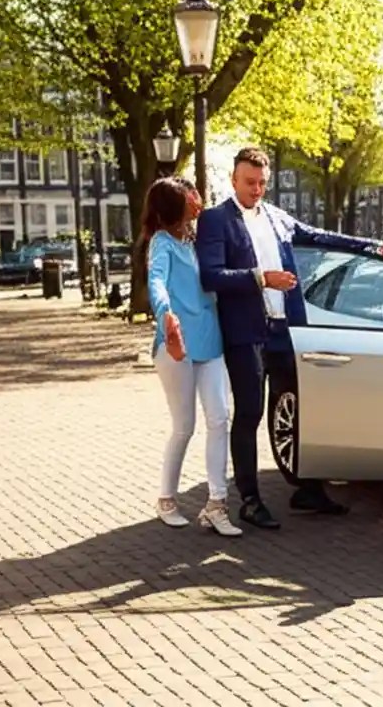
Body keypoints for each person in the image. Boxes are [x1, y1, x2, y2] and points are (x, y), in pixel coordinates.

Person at [194, 147, 383, 530]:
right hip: (246, 335)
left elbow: (324, 237)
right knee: (250, 415)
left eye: (262, 183)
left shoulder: (277, 217)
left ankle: (307, 489)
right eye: (250, 183)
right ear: (233, 180)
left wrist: (378, 249)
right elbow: (211, 276)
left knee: (301, 411)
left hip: (287, 329)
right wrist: (262, 278)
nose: (257, 190)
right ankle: (249, 499)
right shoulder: (215, 220)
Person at [145, 176, 242, 538]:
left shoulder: (200, 239)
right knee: (184, 426)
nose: (198, 197)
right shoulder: (162, 244)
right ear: (176, 203)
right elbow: (155, 281)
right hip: (177, 346)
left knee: (219, 419)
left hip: (210, 342)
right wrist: (166, 314)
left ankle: (216, 504)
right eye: (191, 193)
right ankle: (166, 499)